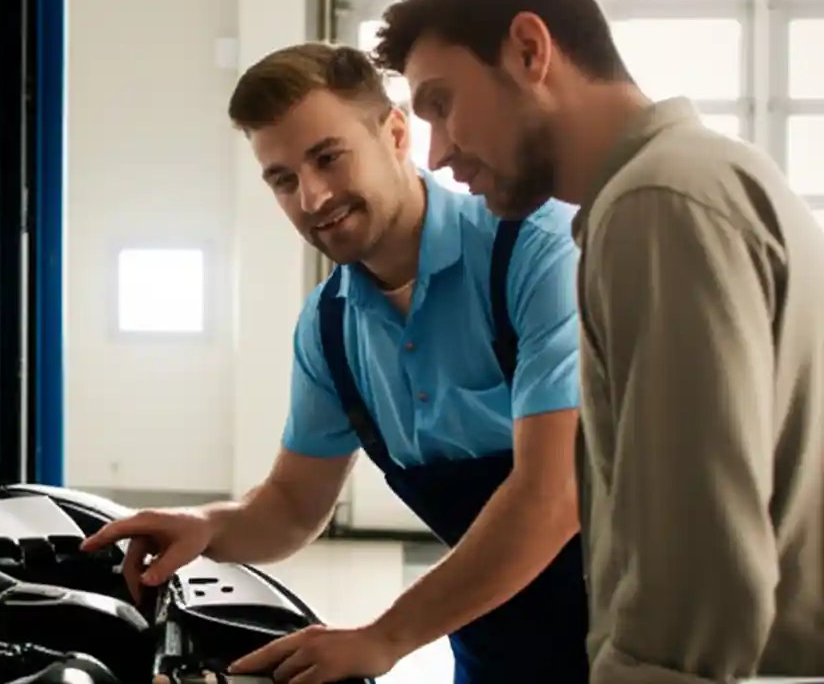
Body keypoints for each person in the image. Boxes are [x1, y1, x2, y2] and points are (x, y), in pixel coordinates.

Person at [81, 42, 591, 684]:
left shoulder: (537, 253)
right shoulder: (329, 328)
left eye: (328, 157)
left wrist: (385, 636)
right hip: (495, 644)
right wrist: (204, 525)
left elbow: (554, 493)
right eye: (283, 179)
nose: (313, 196)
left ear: (396, 135)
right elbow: (293, 506)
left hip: (635, 636)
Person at [370, 0, 824, 681]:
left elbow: (699, 564)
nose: (439, 153)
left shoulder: (659, 203)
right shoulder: (697, 179)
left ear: (529, 51)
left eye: (443, 104)